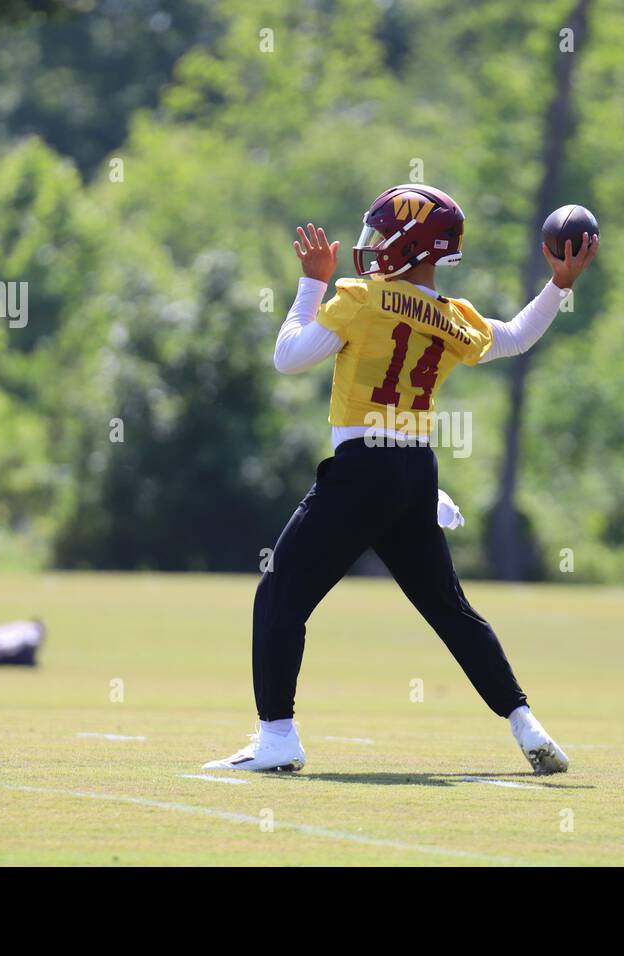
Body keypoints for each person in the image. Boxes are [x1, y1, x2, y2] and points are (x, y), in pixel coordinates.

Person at [205, 184, 598, 773]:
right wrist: (559, 286)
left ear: (410, 244)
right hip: (415, 472)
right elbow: (515, 336)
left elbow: (289, 356)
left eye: (382, 234)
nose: (371, 247)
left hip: (364, 469)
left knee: (279, 595)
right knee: (450, 611)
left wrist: (312, 282)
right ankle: (527, 727)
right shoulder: (449, 316)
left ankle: (277, 736)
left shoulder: (360, 298)